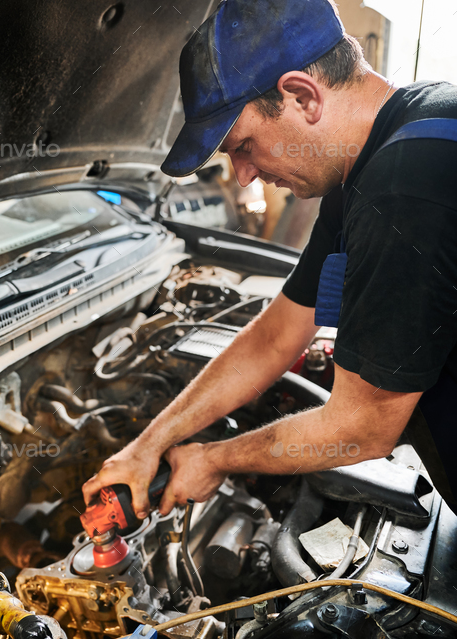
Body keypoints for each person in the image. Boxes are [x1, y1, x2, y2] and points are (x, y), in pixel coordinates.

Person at [83, 0, 457, 520]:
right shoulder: (391, 148)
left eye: (244, 146)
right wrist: (148, 444)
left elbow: (361, 428)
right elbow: (276, 334)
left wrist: (215, 459)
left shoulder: (403, 187)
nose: (242, 176)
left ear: (302, 96)